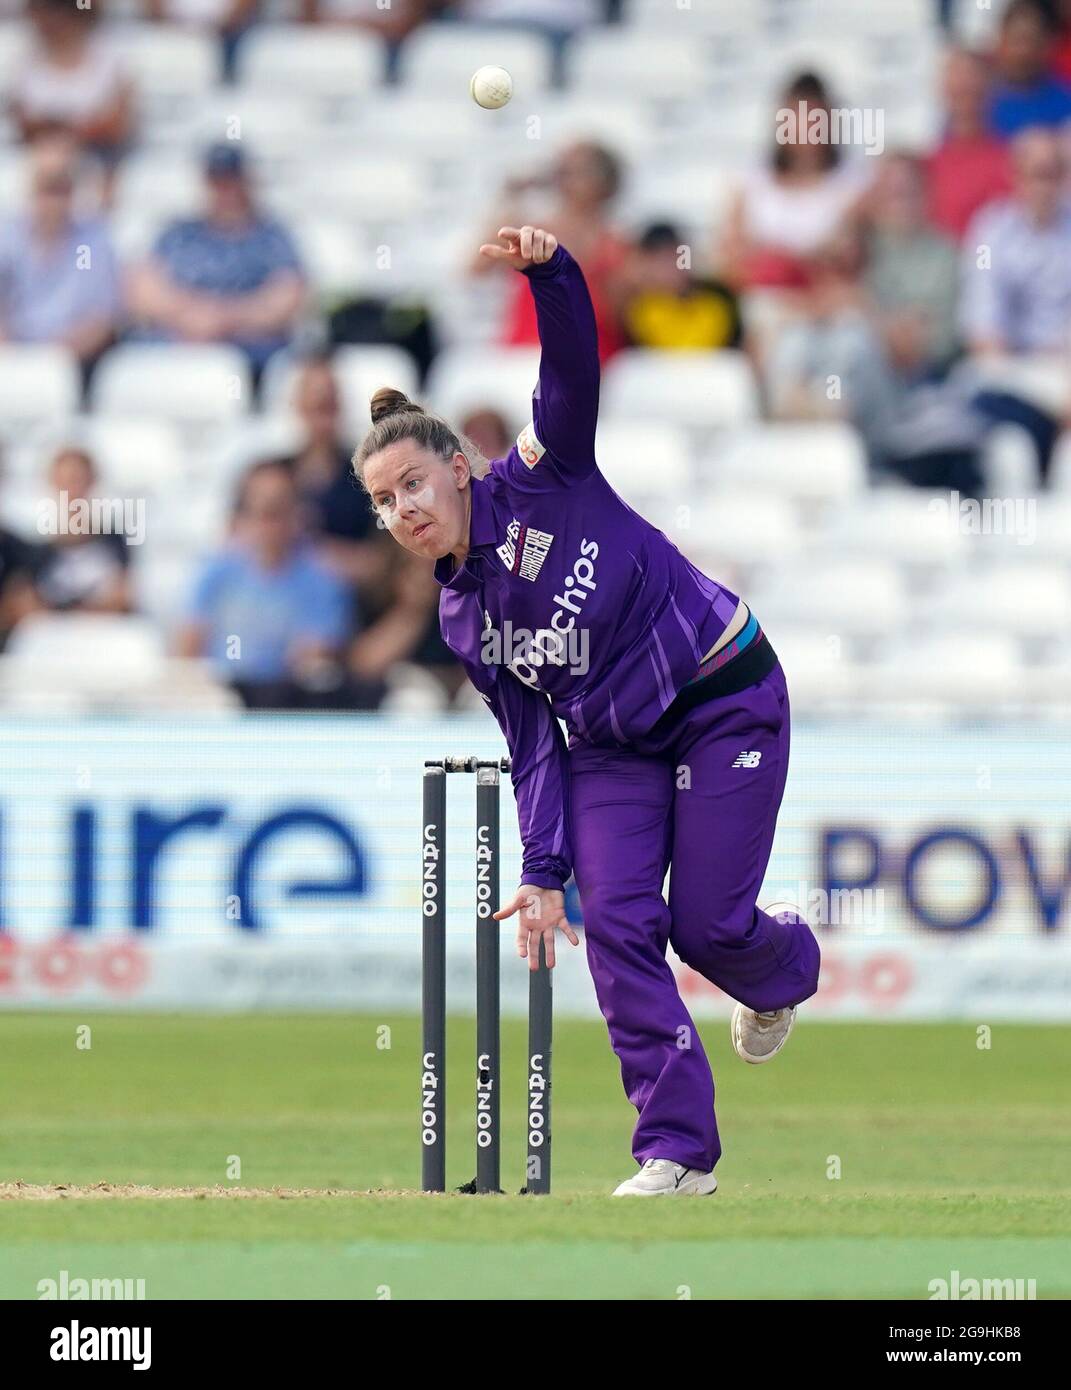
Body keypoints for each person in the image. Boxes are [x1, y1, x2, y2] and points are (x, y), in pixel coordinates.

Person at [354, 225, 821, 1197]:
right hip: (612, 741)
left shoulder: (544, 470)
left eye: (413, 483)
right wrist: (538, 871)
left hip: (721, 694)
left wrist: (550, 270)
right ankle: (679, 1151)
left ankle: (782, 966)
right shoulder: (459, 618)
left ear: (458, 467)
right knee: (610, 919)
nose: (403, 509)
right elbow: (531, 747)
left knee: (708, 927)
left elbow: (569, 367)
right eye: (383, 501)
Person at [178, 460, 352, 708]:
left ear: (297, 513)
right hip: (216, 700)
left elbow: (310, 659)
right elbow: (188, 650)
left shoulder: (323, 581)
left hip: (285, 705)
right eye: (259, 509)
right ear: (244, 513)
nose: (268, 521)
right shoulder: (215, 571)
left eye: (277, 510)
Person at [127, 143, 306, 377]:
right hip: (176, 347)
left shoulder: (271, 236)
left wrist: (225, 318)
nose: (225, 190)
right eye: (218, 181)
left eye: (231, 180)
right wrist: (190, 315)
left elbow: (288, 297)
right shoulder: (179, 233)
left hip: (248, 356)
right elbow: (142, 290)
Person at [470, 142, 630, 365]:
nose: (563, 178)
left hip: (588, 358)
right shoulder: (527, 231)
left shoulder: (616, 245)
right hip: (523, 355)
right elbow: (476, 268)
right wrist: (512, 198)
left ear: (603, 183)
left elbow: (617, 313)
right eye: (561, 170)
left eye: (575, 171)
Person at [717, 72, 872, 294]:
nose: (805, 132)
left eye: (814, 121)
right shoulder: (749, 181)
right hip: (762, 301)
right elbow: (730, 257)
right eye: (796, 120)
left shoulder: (854, 184)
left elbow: (848, 258)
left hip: (827, 304)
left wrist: (785, 260)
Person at [0, 135, 122, 375]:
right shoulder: (9, 237)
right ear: (30, 186)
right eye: (47, 187)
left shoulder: (86, 245)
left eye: (62, 188)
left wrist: (53, 360)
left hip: (70, 365)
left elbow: (98, 318)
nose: (54, 200)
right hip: (11, 359)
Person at [11, 0, 135, 176]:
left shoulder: (111, 59)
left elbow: (118, 123)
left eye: (54, 12)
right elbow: (22, 120)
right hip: (39, 157)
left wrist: (67, 131)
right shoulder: (27, 59)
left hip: (100, 159)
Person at [925, 49, 1014, 242]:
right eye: (958, 87)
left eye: (973, 85)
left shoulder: (1012, 160)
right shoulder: (925, 159)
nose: (966, 88)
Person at [33, 448, 133, 614]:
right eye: (65, 481)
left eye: (78, 479)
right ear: (54, 483)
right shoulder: (37, 548)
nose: (72, 489)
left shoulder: (114, 540)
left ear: (92, 482)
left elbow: (123, 597)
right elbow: (30, 605)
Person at [616, 221, 741, 351]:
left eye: (675, 257)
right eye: (660, 261)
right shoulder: (637, 308)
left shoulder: (719, 299)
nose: (669, 269)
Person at [987, 0, 1071, 139]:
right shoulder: (980, 101)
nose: (1023, 51)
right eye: (1017, 41)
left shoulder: (1065, 101)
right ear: (1001, 41)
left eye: (1031, 40)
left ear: (1046, 45)